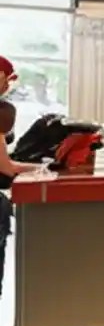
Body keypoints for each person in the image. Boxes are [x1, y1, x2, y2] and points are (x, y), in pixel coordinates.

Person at [0, 56, 40, 298]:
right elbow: (5, 167)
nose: (7, 87)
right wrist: (39, 169)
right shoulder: (2, 113)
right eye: (6, 80)